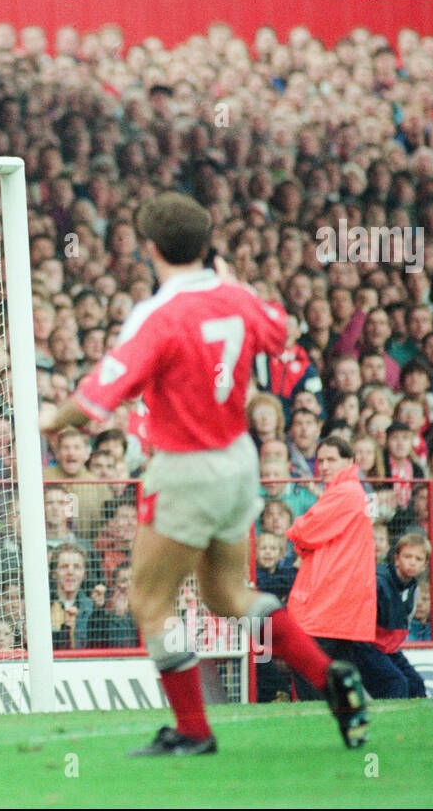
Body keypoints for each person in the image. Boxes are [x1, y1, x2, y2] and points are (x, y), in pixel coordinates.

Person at [40, 192, 368, 755]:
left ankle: (193, 729)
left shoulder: (159, 313)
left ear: (149, 249)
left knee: (150, 601)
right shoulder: (238, 298)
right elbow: (279, 328)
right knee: (227, 595)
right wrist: (237, 282)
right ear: (205, 245)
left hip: (186, 468)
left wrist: (50, 418)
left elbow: (99, 396)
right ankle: (330, 677)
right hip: (238, 461)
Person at [285, 436, 378, 700]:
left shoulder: (345, 492)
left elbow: (305, 531)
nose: (323, 466)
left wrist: (296, 533)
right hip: (340, 602)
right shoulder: (349, 491)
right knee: (334, 675)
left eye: (331, 460)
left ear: (349, 461)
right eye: (320, 460)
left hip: (328, 600)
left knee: (309, 674)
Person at [365, 533, 430, 698]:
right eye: (407, 556)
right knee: (396, 683)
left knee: (416, 684)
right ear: (396, 559)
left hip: (388, 647)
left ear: (425, 565)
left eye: (418, 559)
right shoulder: (378, 582)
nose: (412, 562)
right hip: (367, 647)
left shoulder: (413, 589)